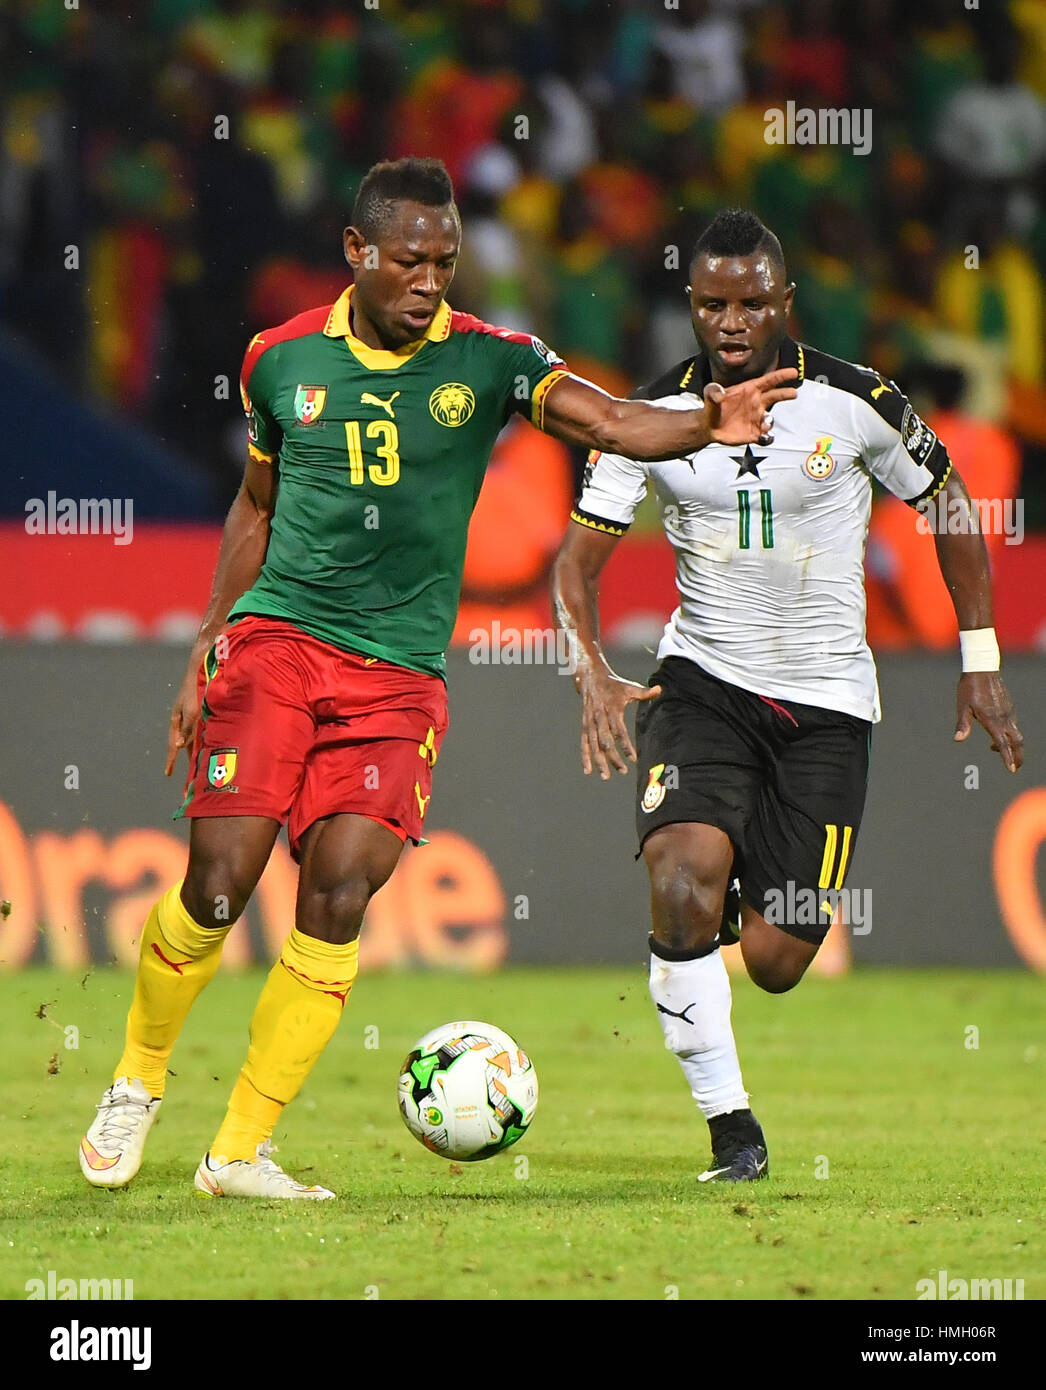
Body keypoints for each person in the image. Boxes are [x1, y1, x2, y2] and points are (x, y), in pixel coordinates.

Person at [78, 162, 796, 1200]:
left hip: (399, 677)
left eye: (445, 262)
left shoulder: (491, 360)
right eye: (409, 260)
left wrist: (701, 421)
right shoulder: (277, 362)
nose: (428, 280)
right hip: (280, 642)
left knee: (337, 895)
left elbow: (604, 422)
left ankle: (236, 1152)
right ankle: (137, 1082)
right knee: (220, 883)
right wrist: (205, 642)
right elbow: (252, 507)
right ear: (356, 253)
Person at [551, 208, 1024, 1184]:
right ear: (689, 306)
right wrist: (587, 661)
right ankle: (732, 1131)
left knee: (774, 959)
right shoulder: (648, 419)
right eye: (712, 304)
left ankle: (729, 908)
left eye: (750, 303)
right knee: (679, 879)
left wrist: (977, 656)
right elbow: (576, 561)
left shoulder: (856, 401)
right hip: (700, 686)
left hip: (827, 709)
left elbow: (948, 503)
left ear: (785, 304)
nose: (731, 321)